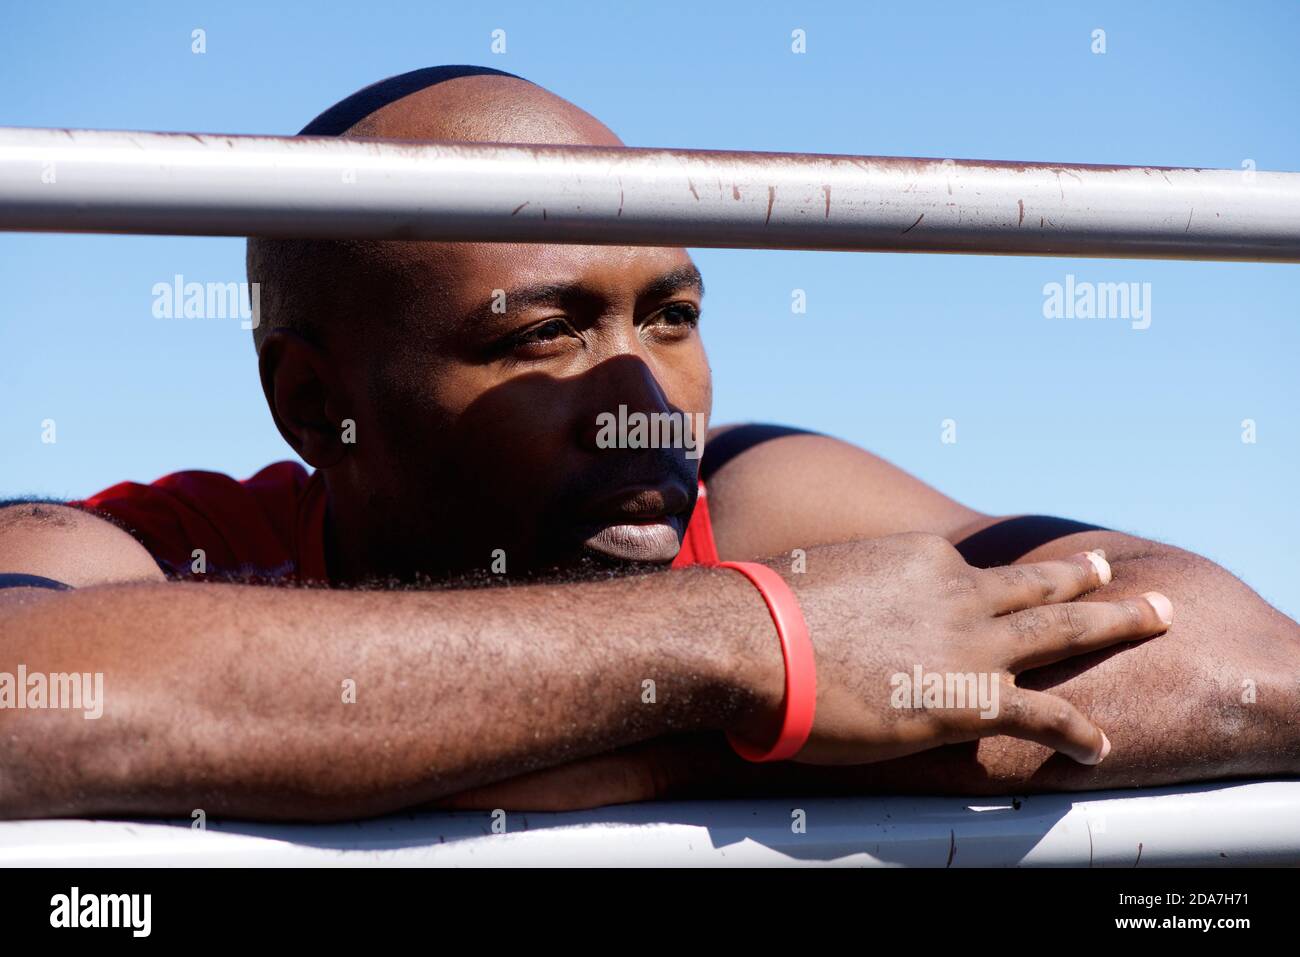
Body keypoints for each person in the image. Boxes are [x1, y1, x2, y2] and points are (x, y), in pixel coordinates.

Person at [1, 66, 1294, 821]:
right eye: (543, 333)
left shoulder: (747, 489)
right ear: (307, 401)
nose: (644, 393)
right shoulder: (177, 548)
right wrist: (759, 657)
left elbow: (1246, 665)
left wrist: (390, 748)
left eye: (672, 315)